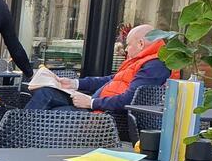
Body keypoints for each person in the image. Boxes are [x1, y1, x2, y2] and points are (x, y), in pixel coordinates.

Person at [27, 24, 177, 112]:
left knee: (51, 114)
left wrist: (91, 102)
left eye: (128, 45)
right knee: (45, 92)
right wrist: (75, 83)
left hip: (102, 114)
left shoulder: (155, 65)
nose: (126, 50)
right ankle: (15, 135)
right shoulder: (141, 60)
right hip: (94, 103)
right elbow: (111, 79)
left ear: (141, 44)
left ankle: (15, 140)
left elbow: (131, 100)